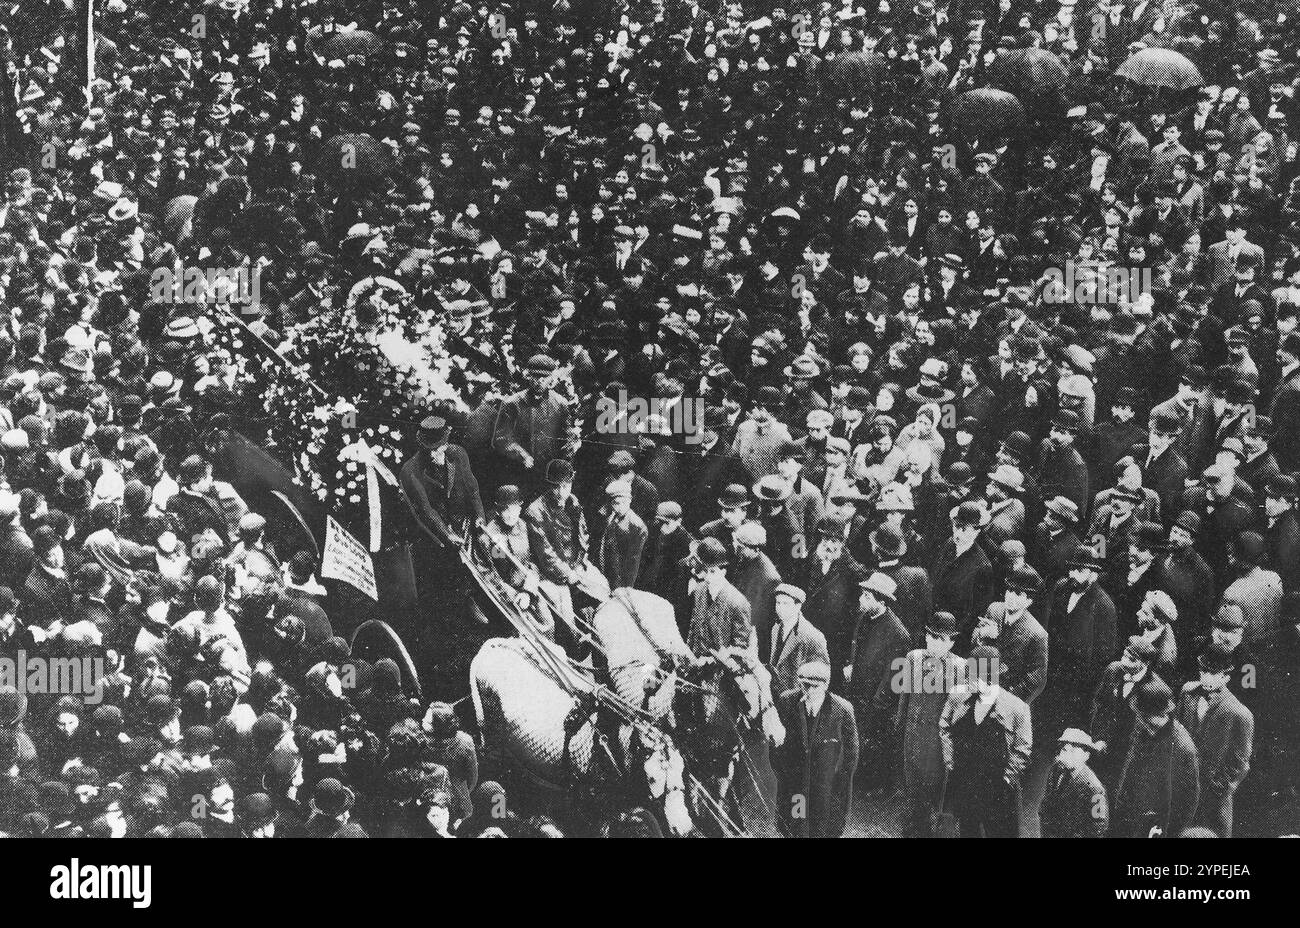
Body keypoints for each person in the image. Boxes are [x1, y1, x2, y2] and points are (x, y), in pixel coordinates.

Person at [939, 645, 1033, 838]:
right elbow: (945, 725)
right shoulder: (959, 697)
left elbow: (1023, 748)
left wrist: (1007, 778)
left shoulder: (1017, 708)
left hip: (997, 788)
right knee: (967, 830)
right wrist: (950, 760)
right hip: (966, 783)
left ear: (989, 678)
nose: (968, 680)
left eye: (972, 676)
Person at [896, 611, 965, 837]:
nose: (934, 642)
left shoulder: (960, 668)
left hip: (936, 744)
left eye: (941, 639)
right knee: (912, 792)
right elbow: (905, 697)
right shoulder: (913, 657)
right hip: (912, 737)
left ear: (952, 642)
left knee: (934, 796)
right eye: (931, 636)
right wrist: (901, 724)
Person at [771, 660, 858, 838]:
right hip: (796, 789)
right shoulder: (787, 703)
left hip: (826, 790)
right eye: (804, 685)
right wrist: (786, 776)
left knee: (823, 830)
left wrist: (836, 781)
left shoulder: (843, 710)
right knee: (796, 827)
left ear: (826, 685)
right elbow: (776, 746)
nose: (808, 691)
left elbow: (851, 754)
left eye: (814, 687)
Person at [1176, 643, 1254, 838]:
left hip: (1214, 799)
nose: (1207, 678)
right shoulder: (1188, 694)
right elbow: (1176, 733)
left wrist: (1219, 787)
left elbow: (1241, 761)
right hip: (1183, 786)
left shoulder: (1239, 713)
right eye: (1203, 671)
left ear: (1226, 677)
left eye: (1214, 673)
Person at [1109, 677, 1201, 838]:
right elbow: (1131, 767)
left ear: (1162, 714)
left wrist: (1171, 833)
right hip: (1133, 815)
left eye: (1146, 718)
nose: (1141, 722)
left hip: (1160, 824)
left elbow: (1187, 800)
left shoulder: (1183, 747)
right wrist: (1121, 806)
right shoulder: (1143, 726)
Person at [845, 572, 910, 793]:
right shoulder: (865, 617)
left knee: (872, 742)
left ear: (881, 601)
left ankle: (872, 786)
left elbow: (894, 679)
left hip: (875, 702)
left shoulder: (898, 634)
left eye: (867, 596)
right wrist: (852, 664)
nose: (861, 600)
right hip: (857, 692)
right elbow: (857, 644)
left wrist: (877, 706)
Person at [1040, 729, 1109, 839]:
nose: (1066, 754)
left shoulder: (1095, 788)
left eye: (1073, 751)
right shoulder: (1056, 770)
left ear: (1086, 756)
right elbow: (1048, 799)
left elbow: (1098, 827)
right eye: (1064, 749)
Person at [767, 585, 830, 695]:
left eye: (785, 603)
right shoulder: (776, 629)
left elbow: (823, 675)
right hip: (774, 695)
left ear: (798, 606)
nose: (780, 608)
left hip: (795, 700)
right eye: (778, 603)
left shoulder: (813, 636)